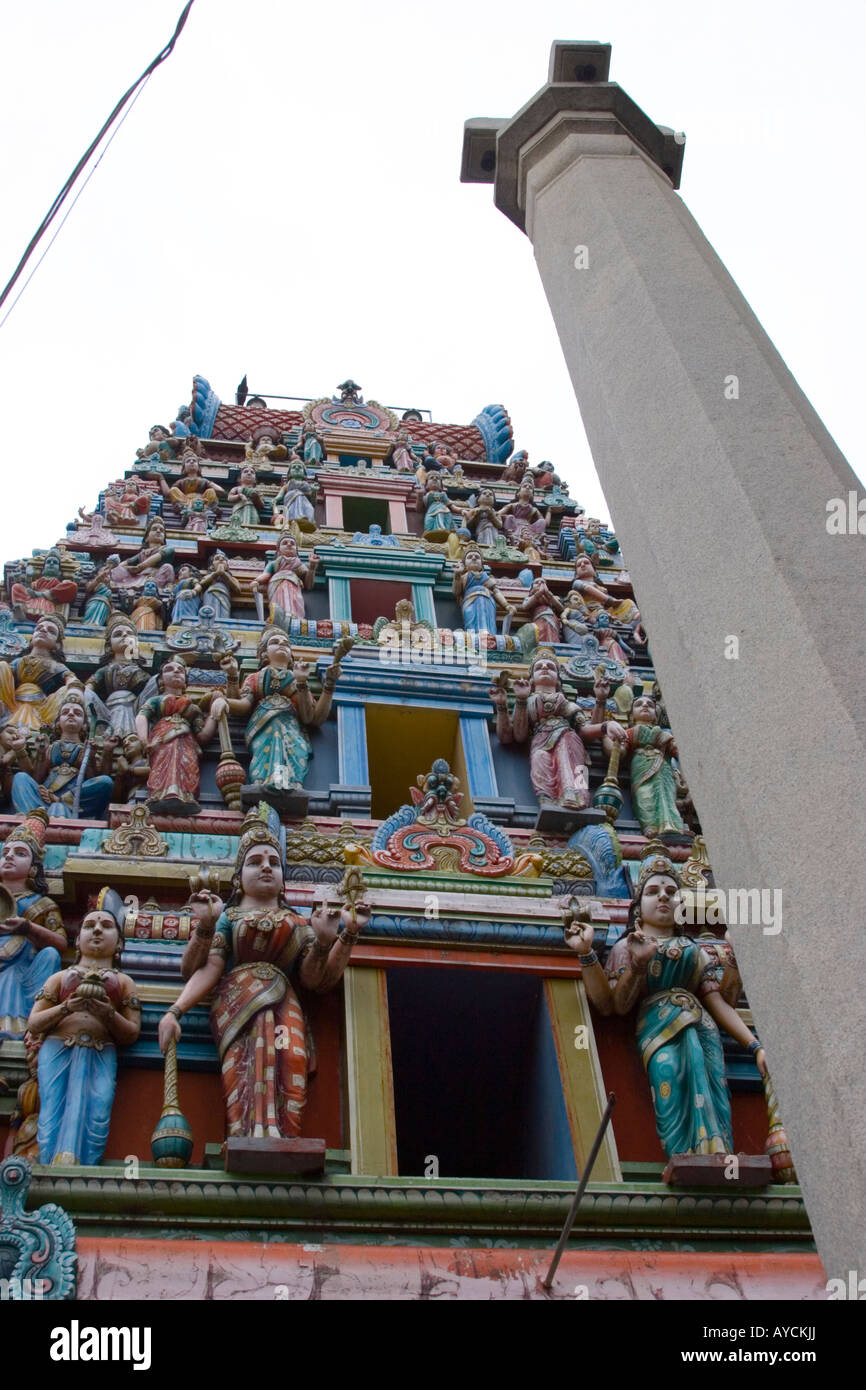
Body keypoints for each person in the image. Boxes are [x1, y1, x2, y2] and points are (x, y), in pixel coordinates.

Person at [157, 809, 369, 1141]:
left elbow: (317, 981)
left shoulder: (299, 922)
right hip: (237, 1003)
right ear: (238, 877)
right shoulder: (228, 917)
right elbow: (200, 968)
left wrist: (338, 938)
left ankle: (283, 1141)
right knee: (245, 1067)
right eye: (255, 862)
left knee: (287, 1065)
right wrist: (175, 1011)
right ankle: (246, 1139)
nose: (267, 866)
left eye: (274, 862)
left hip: (286, 1005)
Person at [566, 855, 766, 1160]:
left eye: (672, 893)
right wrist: (612, 959)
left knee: (713, 1089)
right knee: (668, 1074)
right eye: (653, 891)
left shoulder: (694, 950)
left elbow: (720, 1003)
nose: (663, 897)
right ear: (637, 907)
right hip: (658, 1029)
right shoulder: (626, 947)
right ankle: (682, 1155)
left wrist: (755, 1047)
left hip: (703, 1030)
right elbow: (613, 1006)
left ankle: (717, 1154)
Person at [27, 895, 141, 1166]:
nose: (98, 930)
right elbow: (34, 1022)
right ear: (77, 942)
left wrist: (107, 1013)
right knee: (52, 1109)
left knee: (98, 1109)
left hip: (102, 1051)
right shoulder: (59, 978)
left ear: (120, 944)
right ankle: (51, 1165)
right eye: (89, 926)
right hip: (58, 1049)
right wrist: (67, 1007)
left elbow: (131, 1032)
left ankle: (83, 1167)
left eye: (106, 925)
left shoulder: (124, 982)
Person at [221, 629, 350, 800]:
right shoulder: (255, 677)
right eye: (275, 642)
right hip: (263, 725)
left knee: (293, 750)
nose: (281, 644)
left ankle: (290, 784)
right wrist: (229, 687)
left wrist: (325, 684)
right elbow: (244, 705)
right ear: (264, 653)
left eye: (286, 644)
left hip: (291, 727)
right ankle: (263, 782)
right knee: (268, 747)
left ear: (291, 657)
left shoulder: (295, 678)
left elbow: (311, 717)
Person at [490, 651, 625, 809]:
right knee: (540, 760)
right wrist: (514, 702)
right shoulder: (528, 701)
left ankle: (577, 797)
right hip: (539, 741)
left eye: (551, 667)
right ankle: (547, 801)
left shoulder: (566, 703)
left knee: (570, 761)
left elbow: (585, 731)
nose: (545, 668)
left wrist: (605, 723)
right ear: (532, 679)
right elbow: (517, 736)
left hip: (567, 737)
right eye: (539, 667)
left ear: (558, 679)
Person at [0, 809, 67, 1039]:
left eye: (19, 853)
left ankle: (18, 1030)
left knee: (47, 955)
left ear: (33, 868)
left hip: (20, 967)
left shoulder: (41, 904)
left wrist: (27, 928)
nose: (8, 857)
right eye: (5, 852)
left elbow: (60, 943)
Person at [135, 658, 227, 816]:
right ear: (161, 681)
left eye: (180, 670)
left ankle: (185, 796)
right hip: (162, 738)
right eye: (169, 669)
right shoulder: (156, 700)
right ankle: (160, 795)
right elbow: (141, 717)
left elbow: (203, 736)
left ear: (185, 682)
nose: (176, 671)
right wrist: (144, 741)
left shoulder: (193, 708)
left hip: (187, 742)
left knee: (186, 766)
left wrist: (213, 713)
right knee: (165, 762)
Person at [9, 689, 114, 821]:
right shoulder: (51, 748)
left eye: (77, 713)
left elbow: (95, 777)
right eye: (65, 712)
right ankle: (33, 813)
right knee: (20, 778)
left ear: (84, 724)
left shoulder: (88, 747)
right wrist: (23, 749)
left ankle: (61, 801)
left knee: (106, 782)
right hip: (45, 796)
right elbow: (36, 778)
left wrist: (95, 754)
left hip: (74, 799)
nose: (71, 714)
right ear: (58, 722)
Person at [620, 694, 686, 837]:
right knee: (644, 795)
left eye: (650, 705)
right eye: (639, 704)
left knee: (665, 793)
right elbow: (620, 753)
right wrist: (608, 738)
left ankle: (671, 825)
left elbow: (680, 753)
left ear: (656, 715)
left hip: (663, 768)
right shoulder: (629, 733)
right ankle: (650, 825)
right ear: (631, 715)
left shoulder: (664, 735)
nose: (645, 706)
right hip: (641, 767)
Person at [0, 615, 77, 733]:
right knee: (2, 666)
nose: (43, 630)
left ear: (57, 645)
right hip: (12, 704)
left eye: (51, 631)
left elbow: (71, 679)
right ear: (31, 638)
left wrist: (74, 689)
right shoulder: (19, 662)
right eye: (38, 628)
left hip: (42, 708)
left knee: (69, 689)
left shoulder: (56, 666)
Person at [256, 534, 318, 626]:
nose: (289, 544)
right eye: (285, 543)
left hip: (294, 586)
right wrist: (256, 581)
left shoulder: (299, 565)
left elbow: (308, 584)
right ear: (279, 551)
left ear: (296, 551)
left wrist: (312, 567)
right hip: (277, 584)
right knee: (280, 599)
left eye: (292, 543)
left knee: (293, 599)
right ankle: (279, 617)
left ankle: (295, 616)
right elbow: (266, 575)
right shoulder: (275, 563)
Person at [452, 547, 514, 633]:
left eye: (477, 557)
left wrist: (506, 605)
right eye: (470, 557)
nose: (473, 558)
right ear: (464, 564)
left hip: (487, 601)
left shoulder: (486, 577)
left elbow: (496, 591)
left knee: (487, 619)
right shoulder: (463, 577)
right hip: (470, 602)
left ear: (482, 564)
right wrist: (457, 575)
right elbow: (456, 592)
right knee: (470, 619)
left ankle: (488, 636)